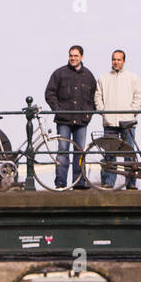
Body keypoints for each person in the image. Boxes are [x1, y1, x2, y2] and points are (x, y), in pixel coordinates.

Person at [44, 46, 97, 189]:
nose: (73, 58)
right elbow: (49, 93)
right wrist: (58, 110)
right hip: (64, 120)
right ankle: (60, 182)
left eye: (76, 56)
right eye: (71, 55)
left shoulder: (89, 76)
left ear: (81, 57)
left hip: (81, 121)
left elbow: (94, 98)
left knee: (80, 152)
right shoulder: (59, 73)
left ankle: (79, 182)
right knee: (62, 152)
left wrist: (88, 114)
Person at [94, 49, 141, 189]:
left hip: (127, 121)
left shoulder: (133, 77)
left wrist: (131, 113)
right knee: (109, 153)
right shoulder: (103, 78)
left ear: (124, 61)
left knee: (129, 153)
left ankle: (131, 183)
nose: (116, 62)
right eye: (114, 59)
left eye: (119, 59)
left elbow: (139, 97)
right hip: (109, 121)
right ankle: (108, 182)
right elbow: (97, 97)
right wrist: (103, 112)